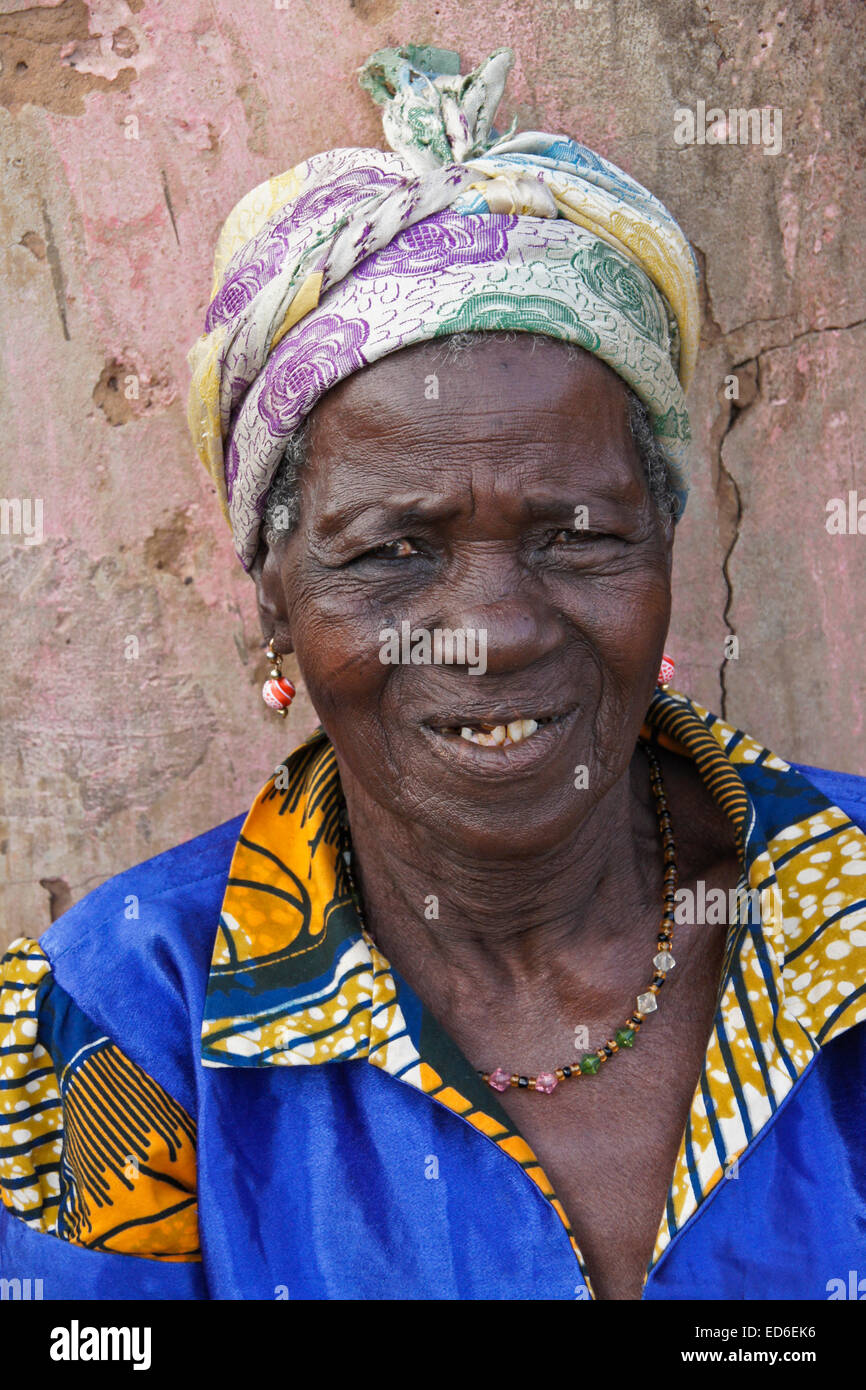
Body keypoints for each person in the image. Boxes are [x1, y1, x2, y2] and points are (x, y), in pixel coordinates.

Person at [2, 43, 864, 1302]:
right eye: (394, 550)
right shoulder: (118, 1019)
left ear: (663, 553)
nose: (494, 630)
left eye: (576, 534)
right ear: (274, 600)